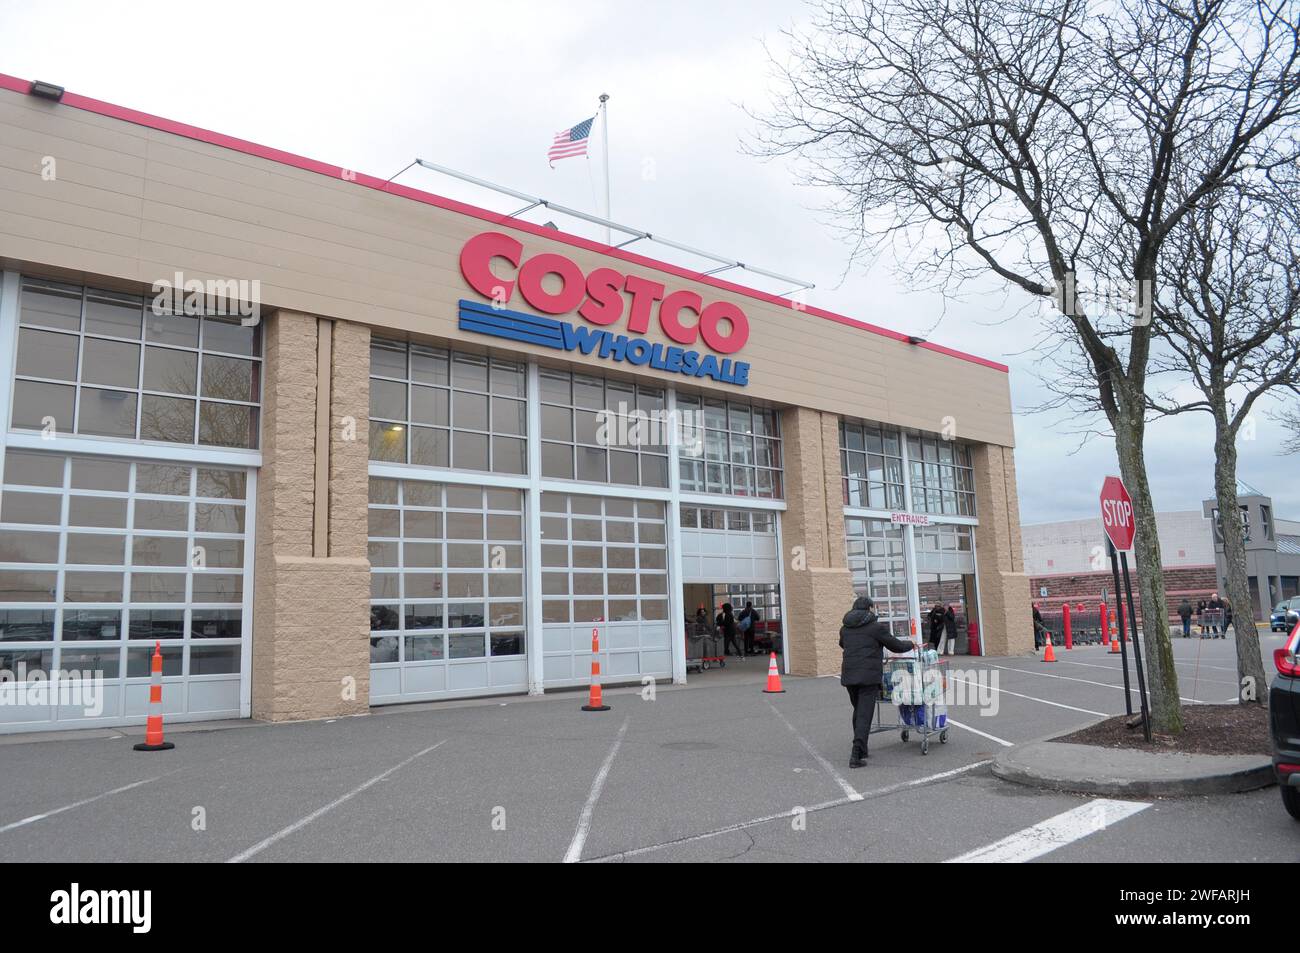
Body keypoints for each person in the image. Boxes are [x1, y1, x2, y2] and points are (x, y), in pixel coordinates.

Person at [839, 595, 914, 768]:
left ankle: (862, 748)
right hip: (868, 676)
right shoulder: (875, 627)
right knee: (865, 714)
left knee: (859, 711)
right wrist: (911, 644)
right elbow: (896, 646)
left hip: (849, 675)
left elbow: (843, 644)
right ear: (869, 609)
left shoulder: (845, 628)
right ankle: (856, 754)